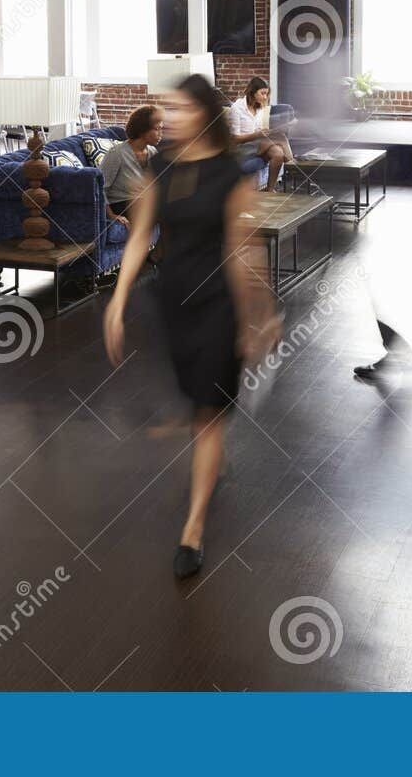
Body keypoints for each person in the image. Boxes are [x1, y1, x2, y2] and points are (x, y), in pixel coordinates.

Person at [104, 75, 280, 579]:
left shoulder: (230, 174)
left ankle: (194, 529)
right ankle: (210, 437)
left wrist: (259, 317)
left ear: (203, 113)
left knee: (207, 414)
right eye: (167, 110)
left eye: (179, 109)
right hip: (175, 304)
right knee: (199, 401)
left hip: (219, 307)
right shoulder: (158, 166)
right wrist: (117, 301)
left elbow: (245, 250)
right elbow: (140, 235)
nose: (169, 118)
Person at [101, 104, 164, 226]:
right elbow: (101, 188)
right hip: (121, 203)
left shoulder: (152, 152)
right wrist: (111, 215)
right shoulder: (117, 153)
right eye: (157, 129)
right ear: (142, 129)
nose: (161, 134)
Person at [228, 76, 290, 191]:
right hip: (243, 147)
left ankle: (269, 190)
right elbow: (234, 139)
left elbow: (259, 131)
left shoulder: (260, 108)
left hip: (257, 144)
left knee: (278, 153)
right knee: (278, 140)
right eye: (262, 93)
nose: (265, 97)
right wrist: (257, 135)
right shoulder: (236, 108)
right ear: (253, 92)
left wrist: (264, 133)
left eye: (266, 94)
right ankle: (286, 149)